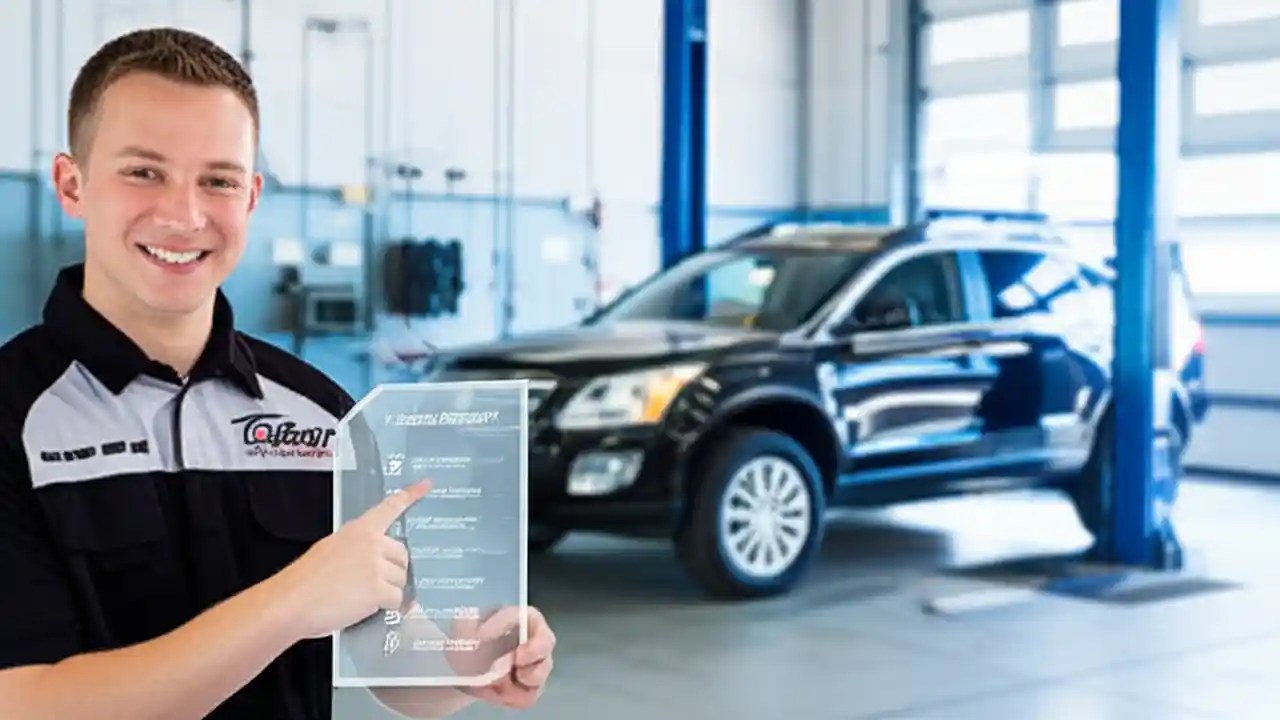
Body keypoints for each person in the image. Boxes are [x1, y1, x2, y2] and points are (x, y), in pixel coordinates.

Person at [0, 27, 555, 719]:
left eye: (218, 180)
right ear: (71, 184)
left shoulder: (324, 416)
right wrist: (291, 603)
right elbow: (27, 703)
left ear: (252, 196)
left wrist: (470, 665)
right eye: (143, 171)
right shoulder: (12, 421)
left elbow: (387, 657)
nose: (184, 214)